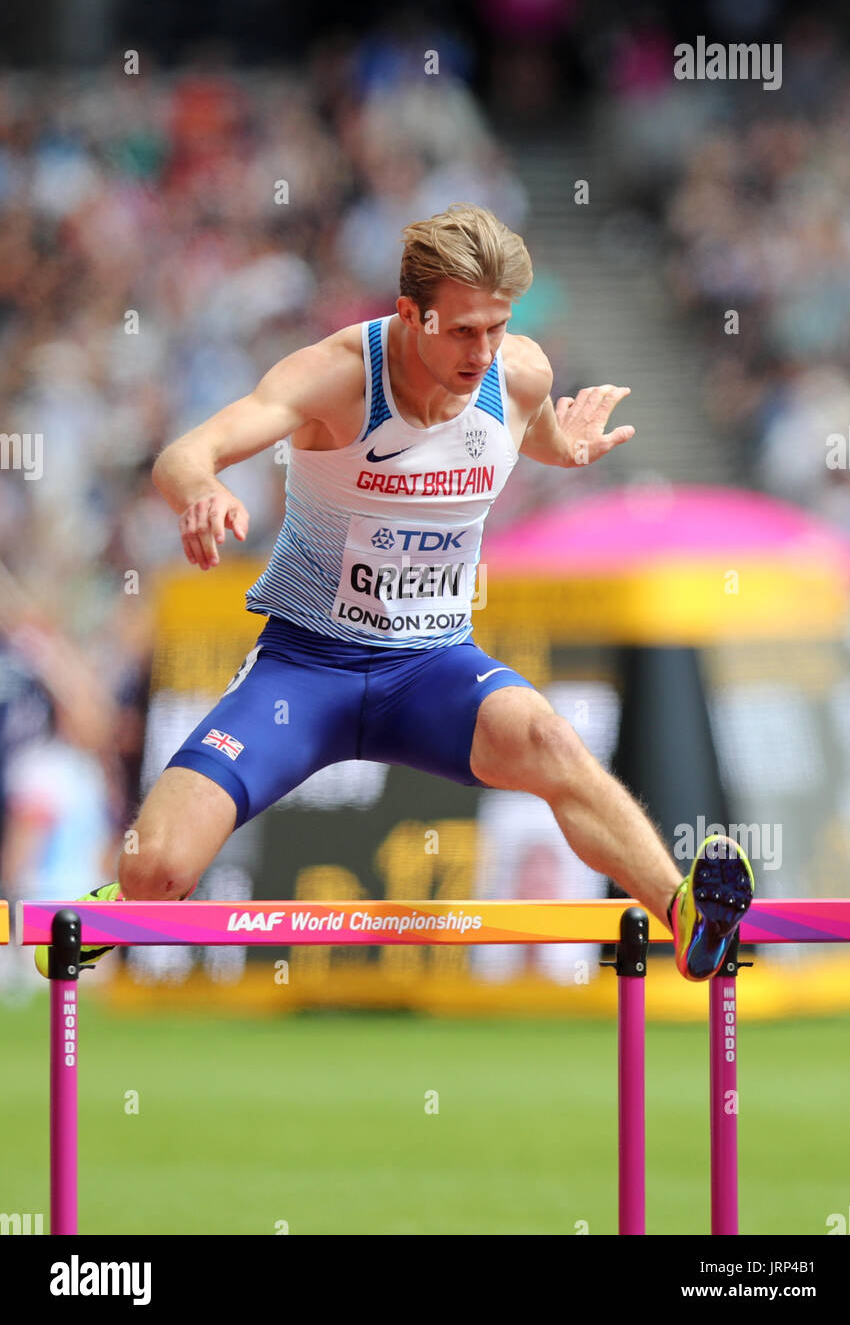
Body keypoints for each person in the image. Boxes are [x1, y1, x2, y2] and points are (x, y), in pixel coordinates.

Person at [35, 203, 753, 981]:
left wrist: (565, 446)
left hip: (432, 668)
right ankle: (128, 896)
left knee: (550, 743)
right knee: (161, 871)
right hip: (306, 672)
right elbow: (186, 452)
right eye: (462, 331)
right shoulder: (339, 375)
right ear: (410, 314)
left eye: (497, 328)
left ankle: (685, 918)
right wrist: (202, 492)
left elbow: (531, 425)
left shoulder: (518, 372)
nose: (483, 352)